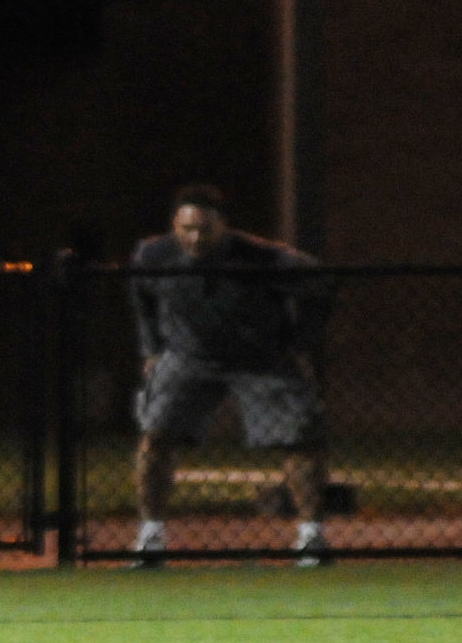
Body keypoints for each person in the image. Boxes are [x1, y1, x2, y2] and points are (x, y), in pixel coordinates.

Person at [128, 183, 332, 568]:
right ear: (174, 225)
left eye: (204, 229)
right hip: (189, 356)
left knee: (299, 438)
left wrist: (299, 343)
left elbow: (320, 285)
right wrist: (152, 349)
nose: (195, 237)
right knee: (155, 436)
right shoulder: (153, 255)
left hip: (261, 358)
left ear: (222, 227)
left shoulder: (261, 258)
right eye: (187, 228)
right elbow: (142, 301)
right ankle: (150, 539)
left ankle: (312, 538)